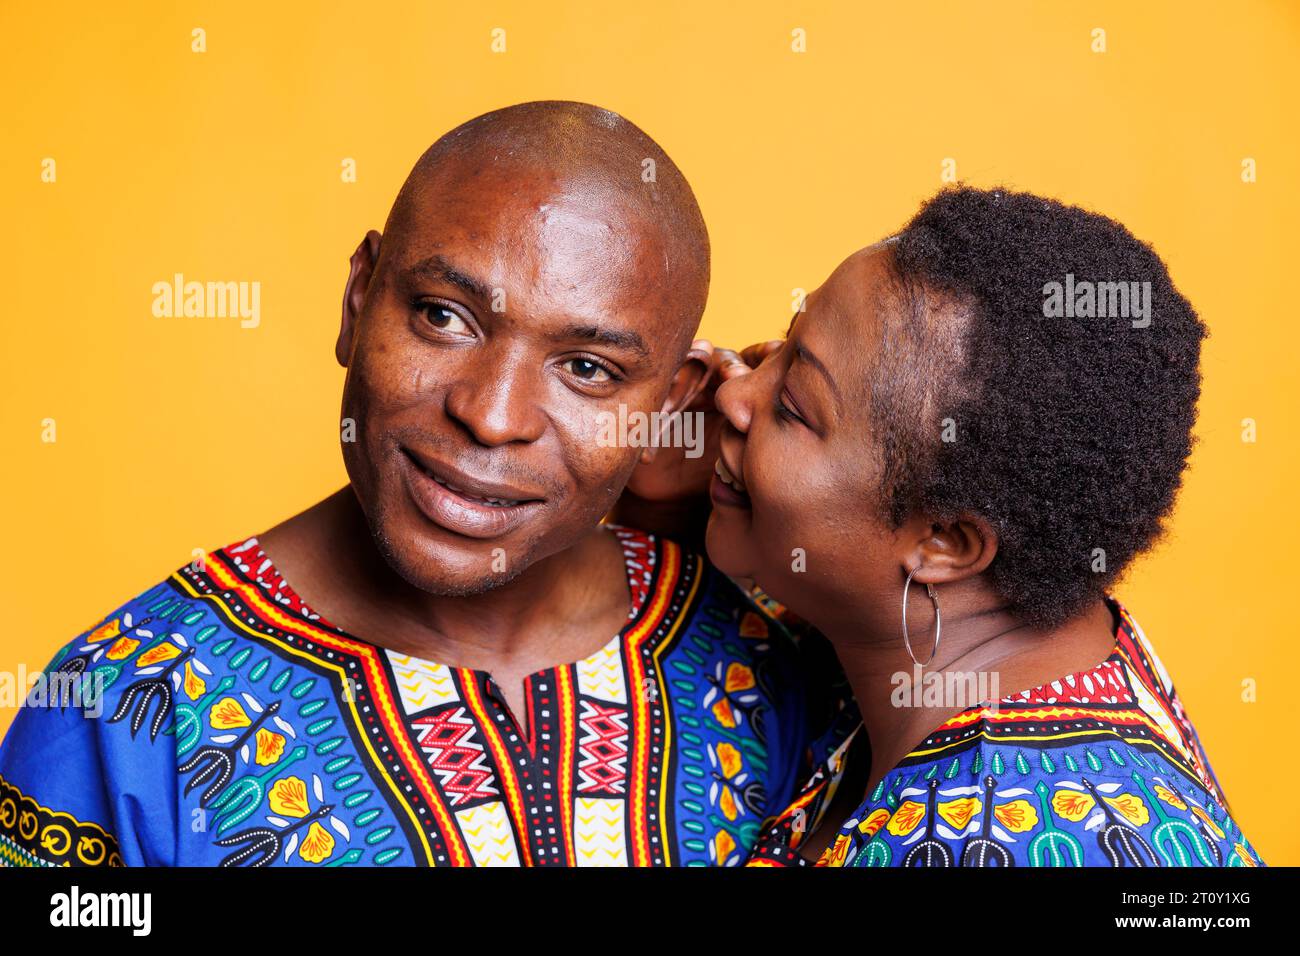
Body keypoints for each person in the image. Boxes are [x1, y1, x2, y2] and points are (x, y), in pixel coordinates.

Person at [0, 102, 841, 868]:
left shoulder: (771, 661)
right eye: (444, 315)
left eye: (587, 369)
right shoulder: (123, 709)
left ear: (672, 403)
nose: (490, 414)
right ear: (359, 296)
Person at [636, 186, 1264, 867]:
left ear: (944, 543)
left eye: (792, 404)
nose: (733, 390)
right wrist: (670, 498)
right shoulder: (1047, 657)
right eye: (784, 343)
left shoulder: (1016, 844)